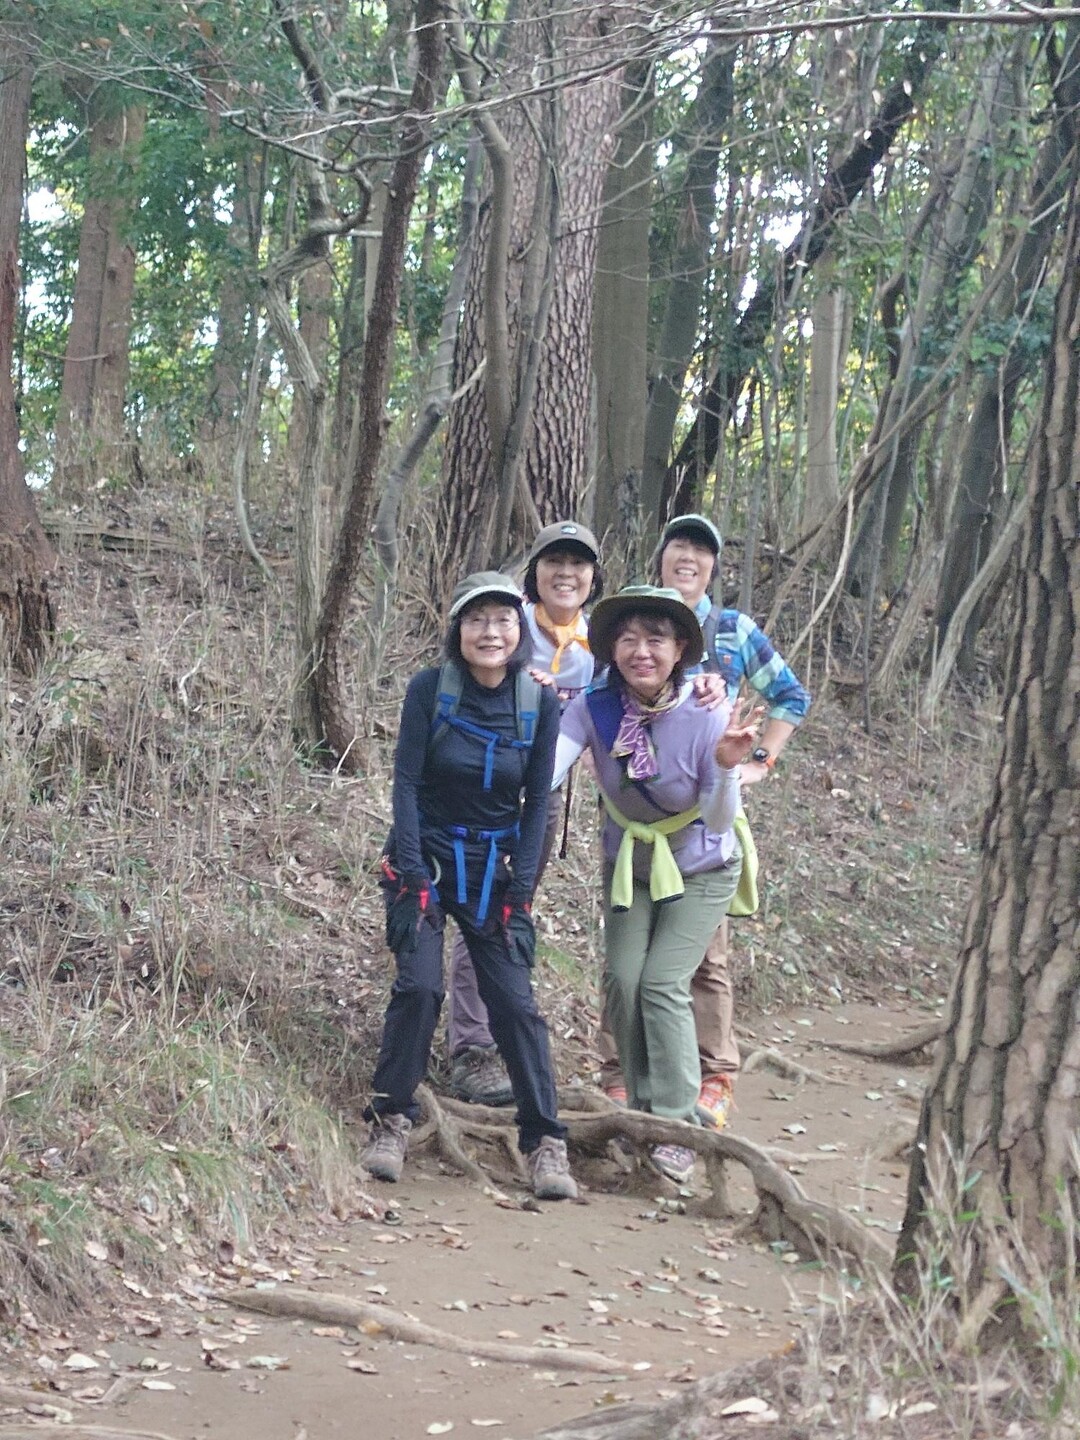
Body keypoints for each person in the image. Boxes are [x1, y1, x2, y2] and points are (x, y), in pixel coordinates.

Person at [362, 571, 578, 1200]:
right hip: (425, 859)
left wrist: (521, 895)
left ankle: (544, 1140)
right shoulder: (429, 690)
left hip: (492, 871)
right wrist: (411, 876)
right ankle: (390, 1121)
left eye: (504, 620)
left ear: (520, 629)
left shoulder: (539, 704)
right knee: (420, 987)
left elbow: (537, 804)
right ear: (457, 629)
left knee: (515, 1004)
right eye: (477, 619)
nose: (491, 632)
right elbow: (405, 783)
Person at [599, 514, 810, 1133]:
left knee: (701, 956)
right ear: (661, 555)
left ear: (715, 565)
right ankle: (622, 1074)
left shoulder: (732, 630)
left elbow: (791, 696)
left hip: (707, 815)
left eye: (700, 549)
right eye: (678, 546)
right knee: (628, 962)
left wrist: (758, 761)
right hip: (634, 813)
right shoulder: (632, 620)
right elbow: (594, 696)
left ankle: (711, 1077)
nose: (687, 557)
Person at [553, 586, 762, 1184]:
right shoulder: (593, 708)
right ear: (611, 649)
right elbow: (547, 772)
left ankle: (677, 1126)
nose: (640, 651)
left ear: (680, 651)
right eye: (627, 639)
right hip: (632, 865)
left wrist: (726, 765)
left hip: (703, 866)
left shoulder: (707, 711)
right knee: (624, 979)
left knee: (663, 981)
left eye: (655, 640)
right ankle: (641, 1112)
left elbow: (718, 820)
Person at [446, 523, 603, 1108]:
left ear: (593, 576)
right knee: (480, 909)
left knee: (511, 909)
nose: (566, 573)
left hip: (544, 795)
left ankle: (505, 1038)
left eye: (579, 563)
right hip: (482, 786)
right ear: (533, 572)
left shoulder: (599, 639)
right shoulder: (507, 621)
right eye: (553, 560)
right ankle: (472, 1048)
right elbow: (463, 672)